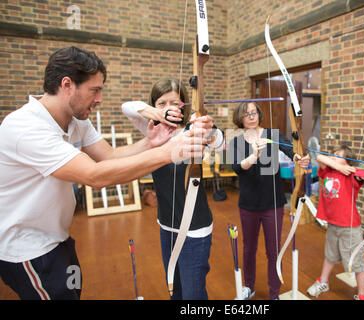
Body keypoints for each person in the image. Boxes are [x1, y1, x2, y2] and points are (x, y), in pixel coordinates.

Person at [0, 47, 209, 300]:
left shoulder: (77, 121)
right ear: (67, 85)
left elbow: (109, 156)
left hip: (57, 239)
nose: (99, 99)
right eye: (94, 90)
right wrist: (170, 151)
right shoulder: (26, 128)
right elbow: (95, 176)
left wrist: (151, 143)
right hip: (27, 249)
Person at [122, 78, 224, 300]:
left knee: (193, 294)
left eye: (175, 103)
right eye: (162, 103)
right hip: (166, 225)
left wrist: (209, 129)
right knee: (174, 289)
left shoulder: (191, 131)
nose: (169, 108)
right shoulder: (151, 130)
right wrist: (159, 115)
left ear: (184, 106)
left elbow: (219, 142)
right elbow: (127, 107)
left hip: (194, 228)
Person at [230, 101, 310, 300]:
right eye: (246, 114)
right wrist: (254, 156)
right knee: (249, 249)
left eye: (254, 112)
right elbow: (237, 168)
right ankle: (249, 286)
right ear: (240, 118)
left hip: (272, 203)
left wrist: (299, 157)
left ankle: (274, 293)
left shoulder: (273, 136)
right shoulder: (237, 142)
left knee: (274, 251)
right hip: (248, 204)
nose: (251, 116)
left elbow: (291, 151)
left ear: (259, 114)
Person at [306, 145, 364, 300]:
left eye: (338, 155)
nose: (333, 156)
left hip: (350, 228)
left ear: (348, 161)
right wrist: (336, 164)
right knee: (330, 255)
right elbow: (318, 156)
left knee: (357, 261)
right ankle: (323, 281)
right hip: (332, 224)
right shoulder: (328, 171)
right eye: (333, 154)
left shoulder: (353, 173)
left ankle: (362, 294)